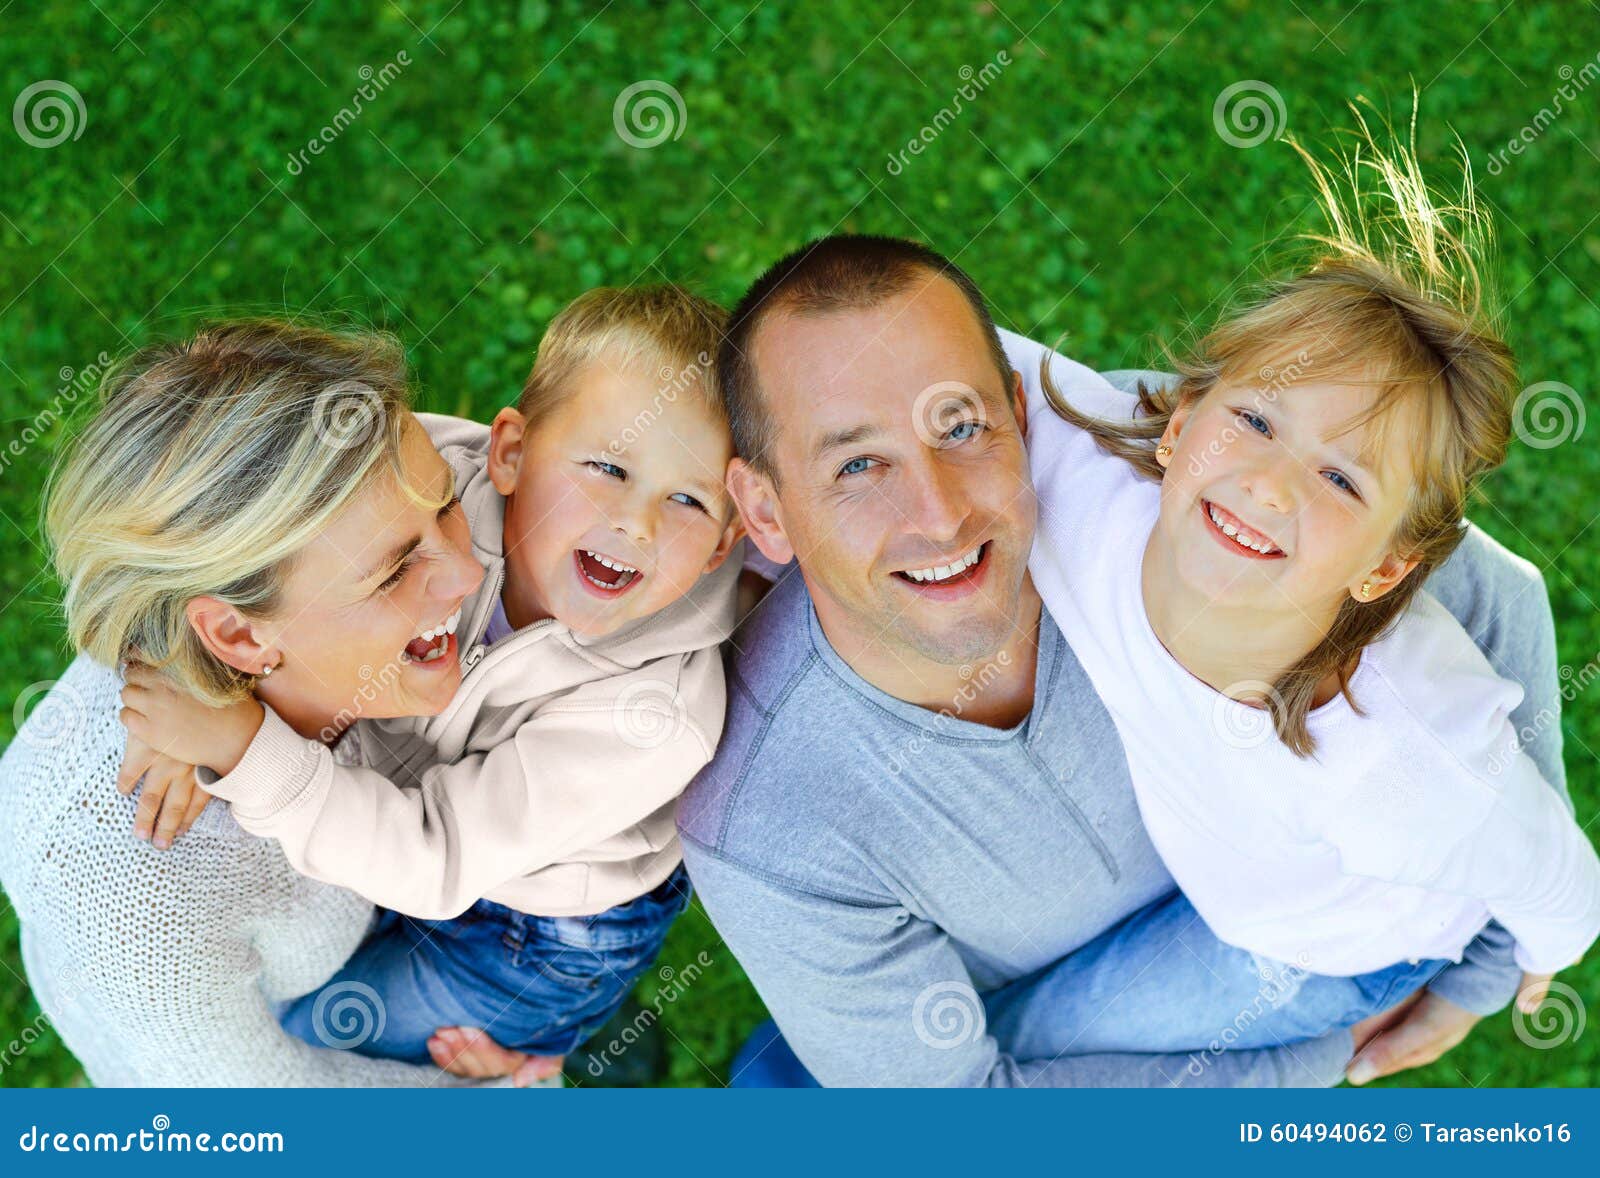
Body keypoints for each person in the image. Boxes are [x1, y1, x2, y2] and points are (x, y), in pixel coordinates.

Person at [678, 233, 1566, 1086]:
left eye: (960, 428)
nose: (941, 515)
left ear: (1022, 417)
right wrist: (1322, 1062)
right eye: (858, 465)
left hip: (1308, 908)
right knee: (946, 1065)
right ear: (762, 509)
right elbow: (963, 1115)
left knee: (887, 1067)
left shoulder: (1171, 484)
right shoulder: (770, 828)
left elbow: (1503, 598)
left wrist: (1484, 964)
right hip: (1102, 978)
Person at [992, 128, 1597, 1056]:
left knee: (1038, 1040)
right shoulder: (1075, 477)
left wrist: (1480, 986)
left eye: (1343, 480)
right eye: (1256, 419)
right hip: (1214, 847)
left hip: (1318, 948)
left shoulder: (1407, 762)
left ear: (1387, 567)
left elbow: (1565, 886)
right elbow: (890, 367)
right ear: (1179, 420)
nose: (1270, 486)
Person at [120, 287, 744, 1069]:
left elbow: (437, 854)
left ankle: (553, 1049)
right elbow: (262, 544)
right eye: (608, 466)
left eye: (688, 499)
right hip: (439, 826)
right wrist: (204, 684)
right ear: (508, 452)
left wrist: (243, 748)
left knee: (323, 1028)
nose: (637, 522)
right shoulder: (437, 471)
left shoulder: (656, 714)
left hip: (537, 932)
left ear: (723, 545)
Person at [0, 320, 522, 1085]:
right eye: (394, 571)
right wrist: (501, 1096)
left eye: (442, 506)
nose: (468, 574)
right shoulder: (129, 899)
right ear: (238, 637)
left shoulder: (276, 621)